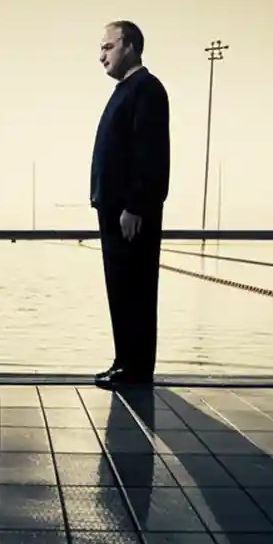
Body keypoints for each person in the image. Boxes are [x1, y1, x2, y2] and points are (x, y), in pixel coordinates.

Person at [90, 20, 170, 388]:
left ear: (131, 45)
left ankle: (135, 369)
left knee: (134, 290)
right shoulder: (127, 90)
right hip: (116, 211)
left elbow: (150, 153)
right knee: (121, 291)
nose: (101, 54)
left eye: (108, 46)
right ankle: (125, 363)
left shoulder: (147, 89)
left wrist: (136, 205)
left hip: (130, 214)